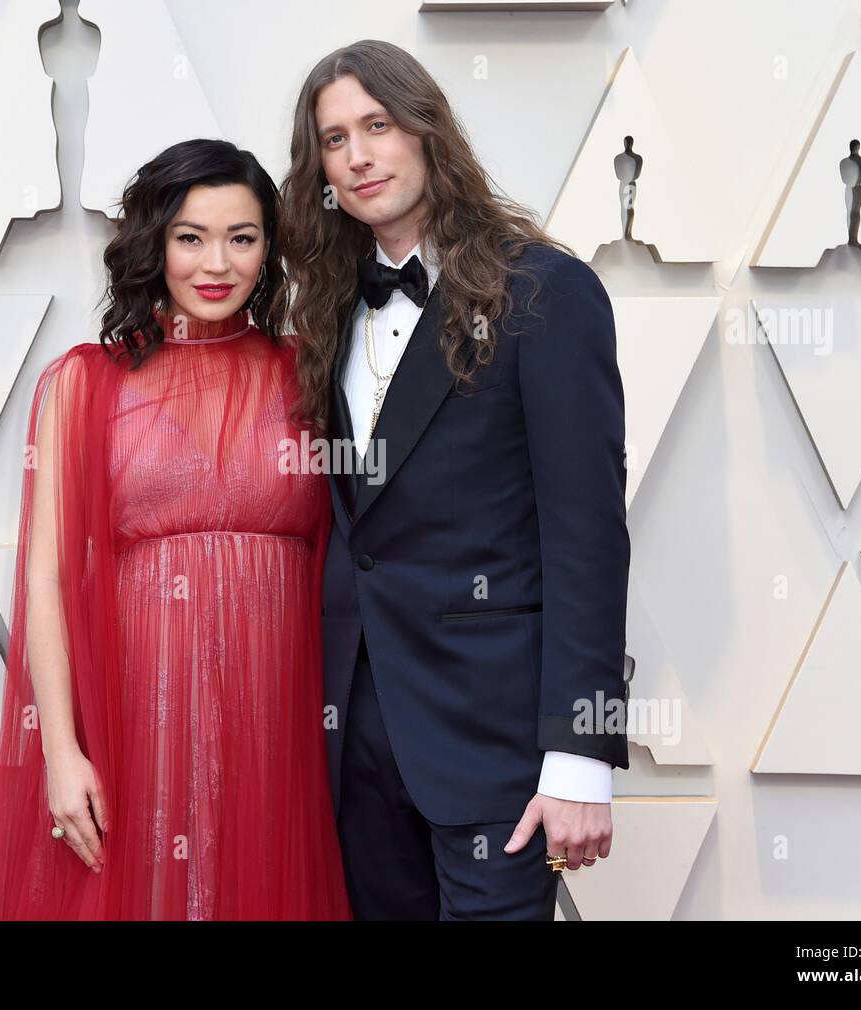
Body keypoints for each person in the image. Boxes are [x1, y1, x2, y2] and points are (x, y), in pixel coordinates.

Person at [279, 40, 632, 920]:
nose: (357, 156)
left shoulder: (544, 293)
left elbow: (588, 536)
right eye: (333, 140)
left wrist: (581, 754)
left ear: (428, 131)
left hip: (493, 743)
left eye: (378, 125)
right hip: (356, 741)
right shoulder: (326, 308)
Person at [0, 139, 352, 920]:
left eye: (242, 238)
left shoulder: (311, 373)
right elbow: (44, 578)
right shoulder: (84, 382)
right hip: (133, 722)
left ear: (269, 249)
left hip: (278, 726)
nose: (217, 262)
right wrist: (60, 749)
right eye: (191, 237)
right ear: (155, 245)